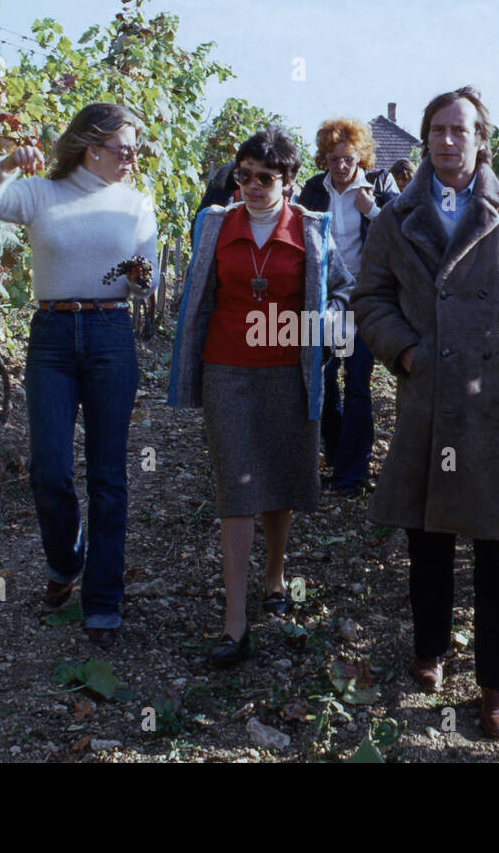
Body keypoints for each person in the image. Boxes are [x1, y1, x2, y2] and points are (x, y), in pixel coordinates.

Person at [351, 86, 499, 737]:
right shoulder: (397, 219)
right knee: (428, 535)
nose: (449, 140)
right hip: (430, 401)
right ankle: (430, 647)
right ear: (425, 139)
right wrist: (409, 351)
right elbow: (370, 297)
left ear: (482, 139)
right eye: (438, 129)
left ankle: (497, 684)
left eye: (461, 129)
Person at [0, 103, 159, 650]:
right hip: (51, 336)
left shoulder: (135, 203)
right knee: (49, 470)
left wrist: (142, 282)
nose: (132, 158)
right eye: (124, 148)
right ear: (91, 147)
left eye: (135, 149)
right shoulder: (40, 194)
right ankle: (64, 560)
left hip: (110, 337)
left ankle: (102, 599)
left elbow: (149, 277)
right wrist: (6, 163)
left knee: (108, 476)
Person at [168, 126, 354, 667]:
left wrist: (327, 324)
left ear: (289, 182)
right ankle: (235, 623)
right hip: (226, 371)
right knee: (236, 486)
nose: (250, 185)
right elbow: (196, 292)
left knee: (281, 479)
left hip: (287, 373)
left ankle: (275, 574)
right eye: (242, 175)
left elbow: (341, 288)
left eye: (264, 178)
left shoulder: (311, 232)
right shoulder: (214, 226)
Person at [296, 118, 398, 495]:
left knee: (357, 384)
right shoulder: (312, 191)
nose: (341, 166)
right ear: (325, 158)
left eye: (349, 159)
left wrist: (371, 210)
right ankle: (335, 457)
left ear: (360, 158)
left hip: (363, 301)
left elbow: (403, 230)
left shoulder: (379, 187)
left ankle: (351, 475)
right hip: (321, 301)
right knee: (321, 384)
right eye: (335, 158)